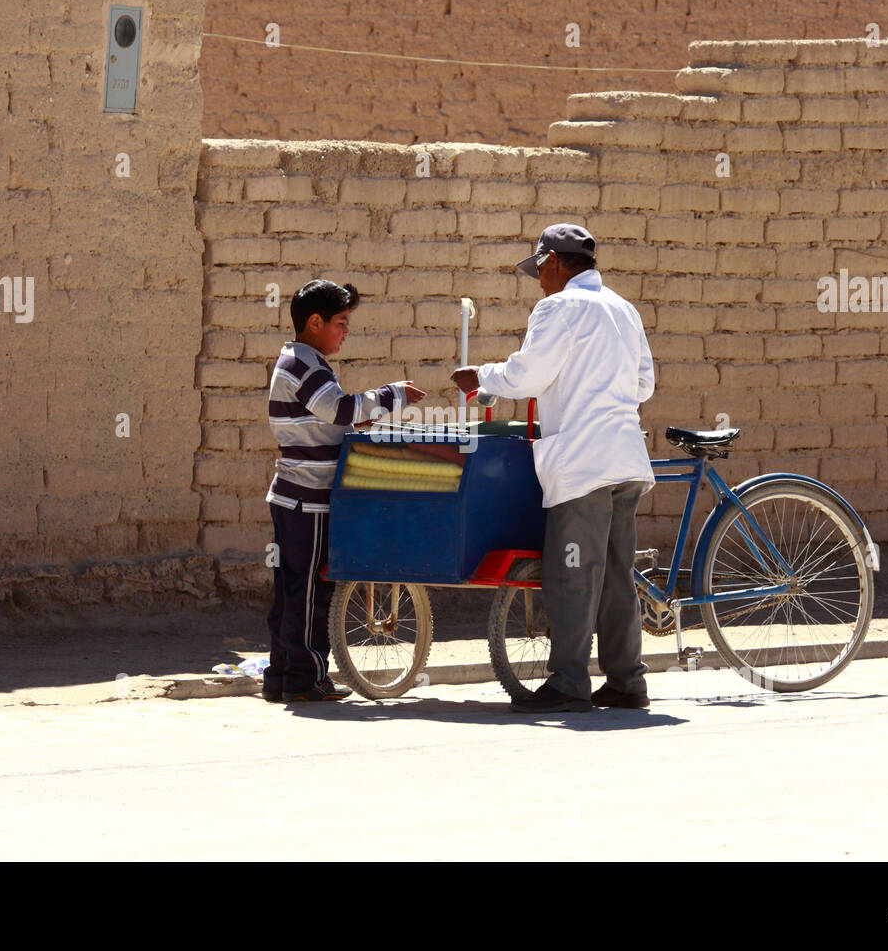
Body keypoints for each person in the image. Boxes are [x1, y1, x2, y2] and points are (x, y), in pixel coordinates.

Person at [451, 224, 656, 713]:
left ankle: (568, 682)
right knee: (615, 575)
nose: (538, 281)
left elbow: (528, 374)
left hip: (583, 464)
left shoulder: (559, 306)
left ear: (555, 264)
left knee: (572, 575)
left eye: (539, 270)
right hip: (625, 458)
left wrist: (480, 377)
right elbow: (644, 385)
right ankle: (627, 680)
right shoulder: (624, 309)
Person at [264, 279, 426, 702]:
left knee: (292, 588)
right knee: (309, 590)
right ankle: (305, 679)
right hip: (308, 498)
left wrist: (352, 422)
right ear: (314, 322)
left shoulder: (298, 361)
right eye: (340, 322)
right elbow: (338, 409)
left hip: (292, 495)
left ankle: (282, 676)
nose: (345, 331)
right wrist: (393, 395)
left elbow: (326, 419)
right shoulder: (305, 365)